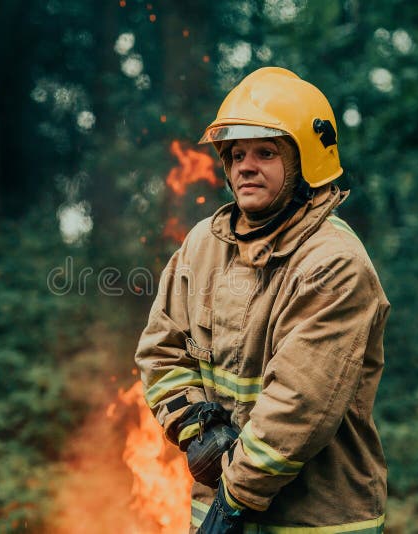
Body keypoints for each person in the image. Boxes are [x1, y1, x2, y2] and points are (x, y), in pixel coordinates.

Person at [134, 67, 390, 534]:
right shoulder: (201, 245)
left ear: (305, 163)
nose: (244, 166)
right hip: (216, 511)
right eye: (235, 154)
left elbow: (298, 406)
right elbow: (160, 350)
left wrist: (233, 501)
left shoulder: (333, 262)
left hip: (313, 522)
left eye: (265, 152)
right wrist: (200, 431)